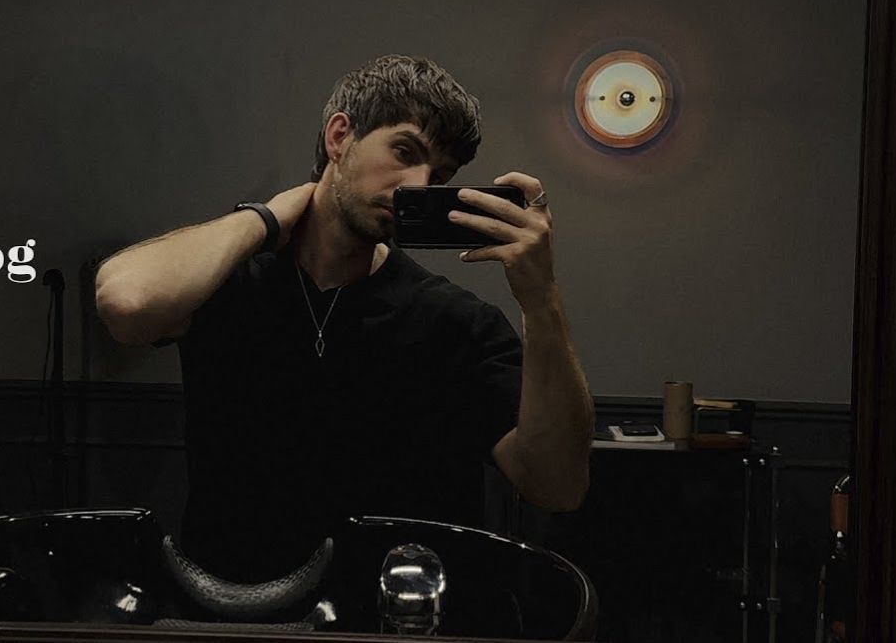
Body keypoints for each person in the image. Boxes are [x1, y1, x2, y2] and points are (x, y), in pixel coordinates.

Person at [95, 54, 593, 583]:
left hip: (393, 611)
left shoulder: (458, 324)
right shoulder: (230, 288)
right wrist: (266, 219)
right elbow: (126, 304)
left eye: (440, 175)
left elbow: (557, 486)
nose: (418, 184)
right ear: (339, 137)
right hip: (233, 607)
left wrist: (541, 297)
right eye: (405, 152)